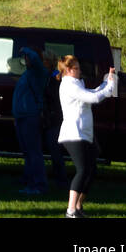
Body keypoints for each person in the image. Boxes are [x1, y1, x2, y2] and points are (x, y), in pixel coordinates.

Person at [57, 56, 116, 219]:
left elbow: (93, 93)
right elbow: (95, 98)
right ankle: (70, 210)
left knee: (91, 170)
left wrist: (107, 82)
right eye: (77, 68)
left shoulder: (77, 84)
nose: (80, 70)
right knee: (82, 170)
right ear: (68, 70)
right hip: (73, 133)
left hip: (84, 133)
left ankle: (78, 206)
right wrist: (109, 86)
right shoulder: (69, 85)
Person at [12, 46, 48, 196]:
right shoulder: (29, 74)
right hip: (22, 116)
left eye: (26, 58)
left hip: (30, 116)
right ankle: (29, 181)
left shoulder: (38, 72)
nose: (25, 60)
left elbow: (36, 62)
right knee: (28, 152)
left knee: (34, 153)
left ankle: (38, 185)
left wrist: (26, 50)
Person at [41, 52, 69, 187]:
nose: (43, 63)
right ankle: (59, 178)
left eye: (45, 61)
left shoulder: (55, 80)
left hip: (55, 119)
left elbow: (54, 99)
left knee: (55, 150)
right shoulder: (51, 78)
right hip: (52, 118)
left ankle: (61, 179)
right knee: (53, 150)